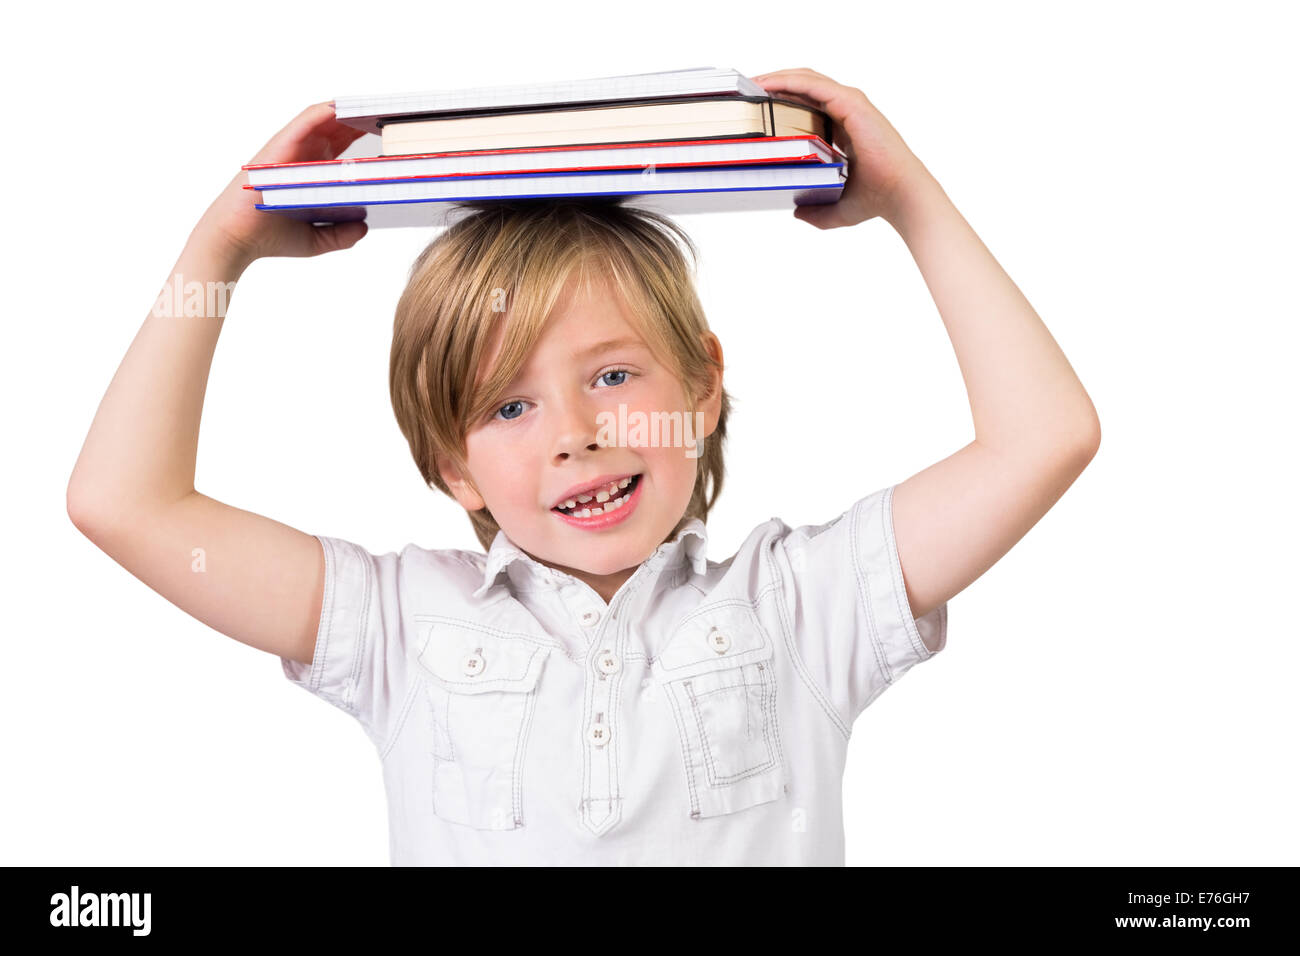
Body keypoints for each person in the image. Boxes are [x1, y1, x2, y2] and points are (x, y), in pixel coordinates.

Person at [66, 68, 1100, 865]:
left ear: (701, 385)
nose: (572, 431)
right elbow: (124, 502)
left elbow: (1043, 434)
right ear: (451, 463)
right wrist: (216, 253)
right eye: (509, 404)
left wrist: (910, 199)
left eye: (611, 374)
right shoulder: (396, 625)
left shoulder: (800, 607)